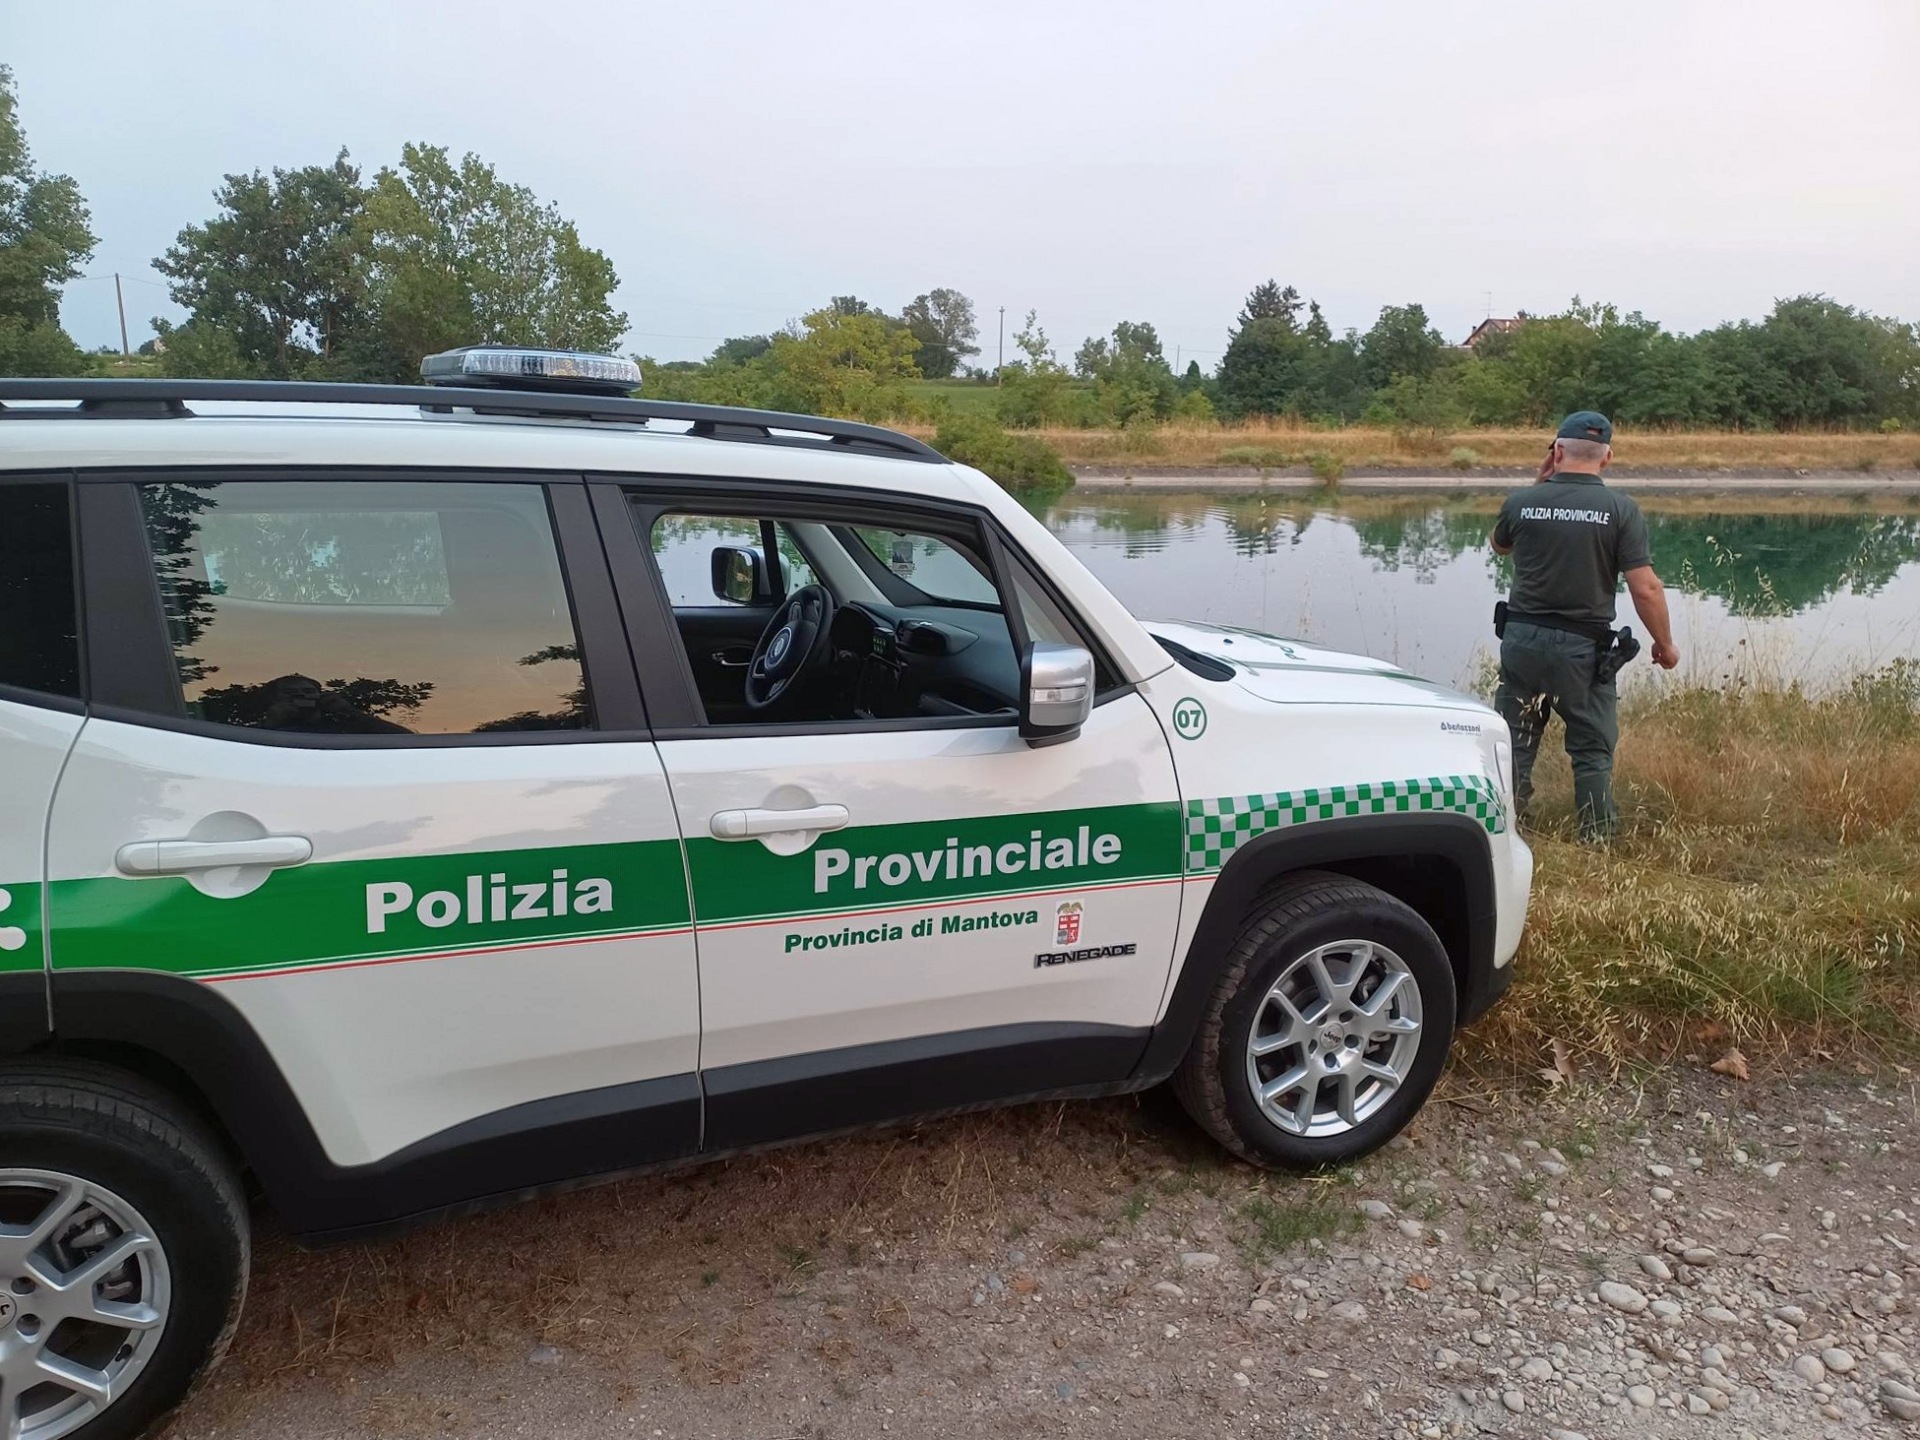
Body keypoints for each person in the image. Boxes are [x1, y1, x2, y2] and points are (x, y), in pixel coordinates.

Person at [1490, 411, 1678, 841]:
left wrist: (1538, 487)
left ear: (1556, 452)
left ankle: (1507, 833)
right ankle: (1598, 839)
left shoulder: (1520, 501)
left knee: (1515, 743)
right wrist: (1664, 645)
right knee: (1591, 750)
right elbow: (1645, 588)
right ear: (1607, 458)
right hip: (1582, 651)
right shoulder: (1620, 510)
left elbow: (1499, 545)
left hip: (1521, 642)